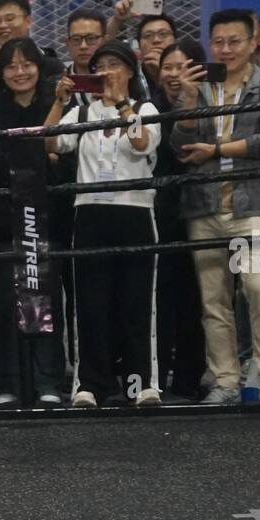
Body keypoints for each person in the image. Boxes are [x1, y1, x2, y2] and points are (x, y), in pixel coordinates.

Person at [171, 8, 260, 420]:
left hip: (251, 205)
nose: (225, 49)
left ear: (253, 42)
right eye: (218, 42)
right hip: (203, 205)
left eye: (234, 41)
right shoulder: (198, 85)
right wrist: (187, 103)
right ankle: (225, 382)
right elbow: (179, 145)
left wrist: (219, 150)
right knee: (213, 300)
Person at [49, 41, 162, 408]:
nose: (108, 71)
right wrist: (59, 102)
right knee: (90, 303)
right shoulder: (82, 114)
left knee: (137, 301)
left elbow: (141, 142)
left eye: (115, 64)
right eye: (101, 65)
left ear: (130, 70)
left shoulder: (146, 108)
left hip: (135, 210)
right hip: (90, 210)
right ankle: (90, 384)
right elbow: (48, 143)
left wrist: (123, 104)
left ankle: (141, 383)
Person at [0, 36, 65, 405]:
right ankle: (8, 382)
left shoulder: (55, 105)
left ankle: (48, 381)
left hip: (51, 220)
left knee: (48, 300)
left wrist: (30, 153)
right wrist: (36, 154)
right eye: (11, 65)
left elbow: (64, 159)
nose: (19, 72)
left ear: (39, 68)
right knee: (6, 300)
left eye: (26, 64)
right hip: (5, 221)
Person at [153, 40, 208, 399]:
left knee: (197, 301)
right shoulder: (148, 107)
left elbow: (188, 152)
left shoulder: (213, 105)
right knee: (160, 301)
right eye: (169, 68)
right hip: (158, 216)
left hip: (202, 212)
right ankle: (153, 378)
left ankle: (190, 378)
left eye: (184, 67)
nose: (175, 75)